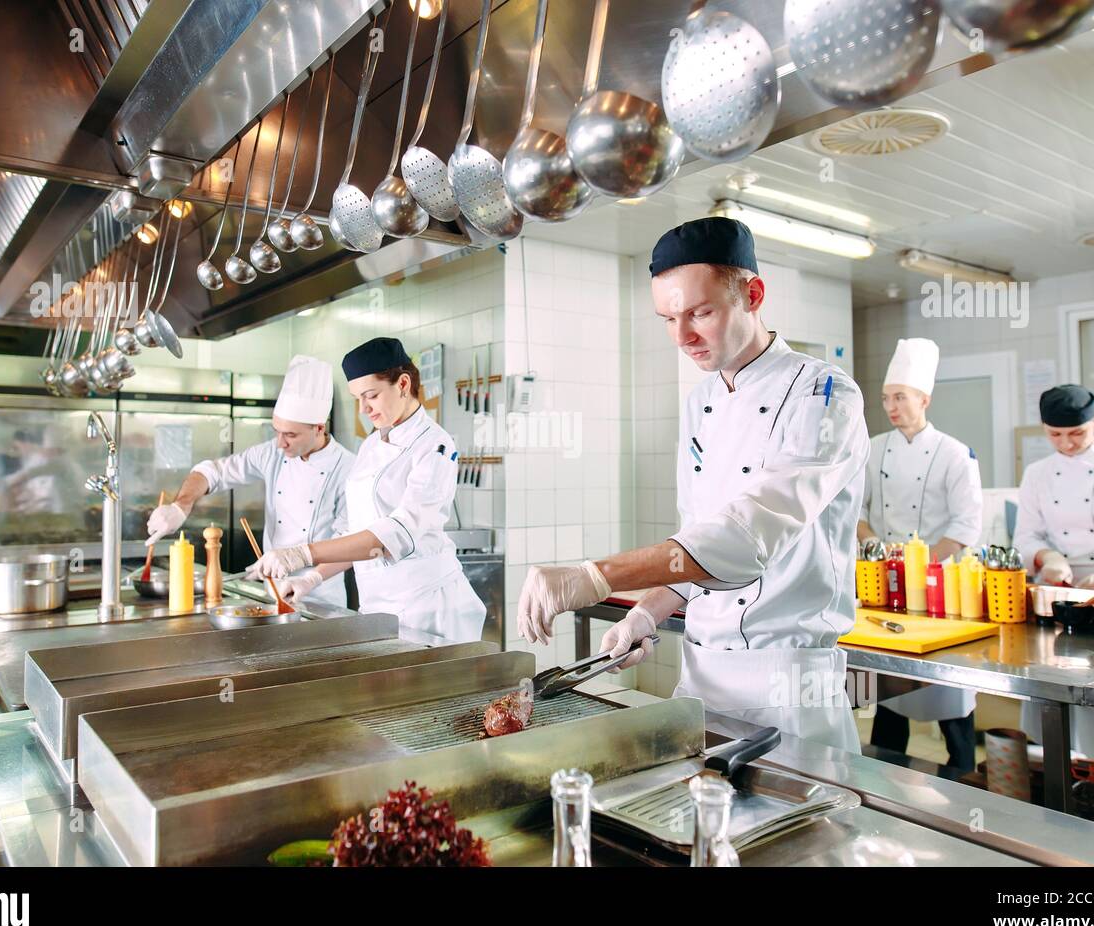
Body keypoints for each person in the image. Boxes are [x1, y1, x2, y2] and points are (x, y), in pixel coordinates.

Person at [515, 217, 869, 749]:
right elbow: (697, 542)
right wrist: (647, 611)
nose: (682, 336)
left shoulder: (823, 394)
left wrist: (597, 575)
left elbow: (742, 540)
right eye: (667, 318)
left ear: (752, 294)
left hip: (787, 685)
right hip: (701, 674)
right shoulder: (700, 403)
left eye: (700, 313)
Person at [251, 337, 486, 645]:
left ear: (402, 383)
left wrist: (303, 553)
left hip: (426, 605)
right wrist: (312, 577)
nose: (363, 409)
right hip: (376, 604)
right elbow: (357, 533)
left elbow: (394, 535)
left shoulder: (436, 447)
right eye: (357, 398)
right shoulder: (372, 445)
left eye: (370, 395)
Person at [858, 337, 984, 771]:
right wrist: (877, 544)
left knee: (949, 694)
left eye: (900, 397)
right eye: (886, 399)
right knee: (892, 690)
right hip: (887, 588)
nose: (891, 407)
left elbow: (965, 528)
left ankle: (964, 779)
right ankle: (884, 782)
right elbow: (857, 513)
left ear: (925, 399)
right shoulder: (872, 449)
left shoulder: (955, 454)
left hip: (938, 591)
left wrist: (922, 564)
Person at [145, 355, 353, 606]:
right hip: (272, 593)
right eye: (277, 431)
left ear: (319, 428)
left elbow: (351, 544)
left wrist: (309, 580)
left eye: (290, 435)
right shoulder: (272, 453)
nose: (280, 443)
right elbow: (213, 472)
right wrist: (182, 505)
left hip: (320, 600)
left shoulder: (348, 469)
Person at [1015, 384, 1094, 764]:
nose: (1065, 444)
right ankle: (1064, 791)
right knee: (1059, 711)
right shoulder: (1037, 473)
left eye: (1076, 433)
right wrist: (1050, 558)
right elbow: (1026, 536)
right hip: (1060, 601)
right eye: (1055, 435)